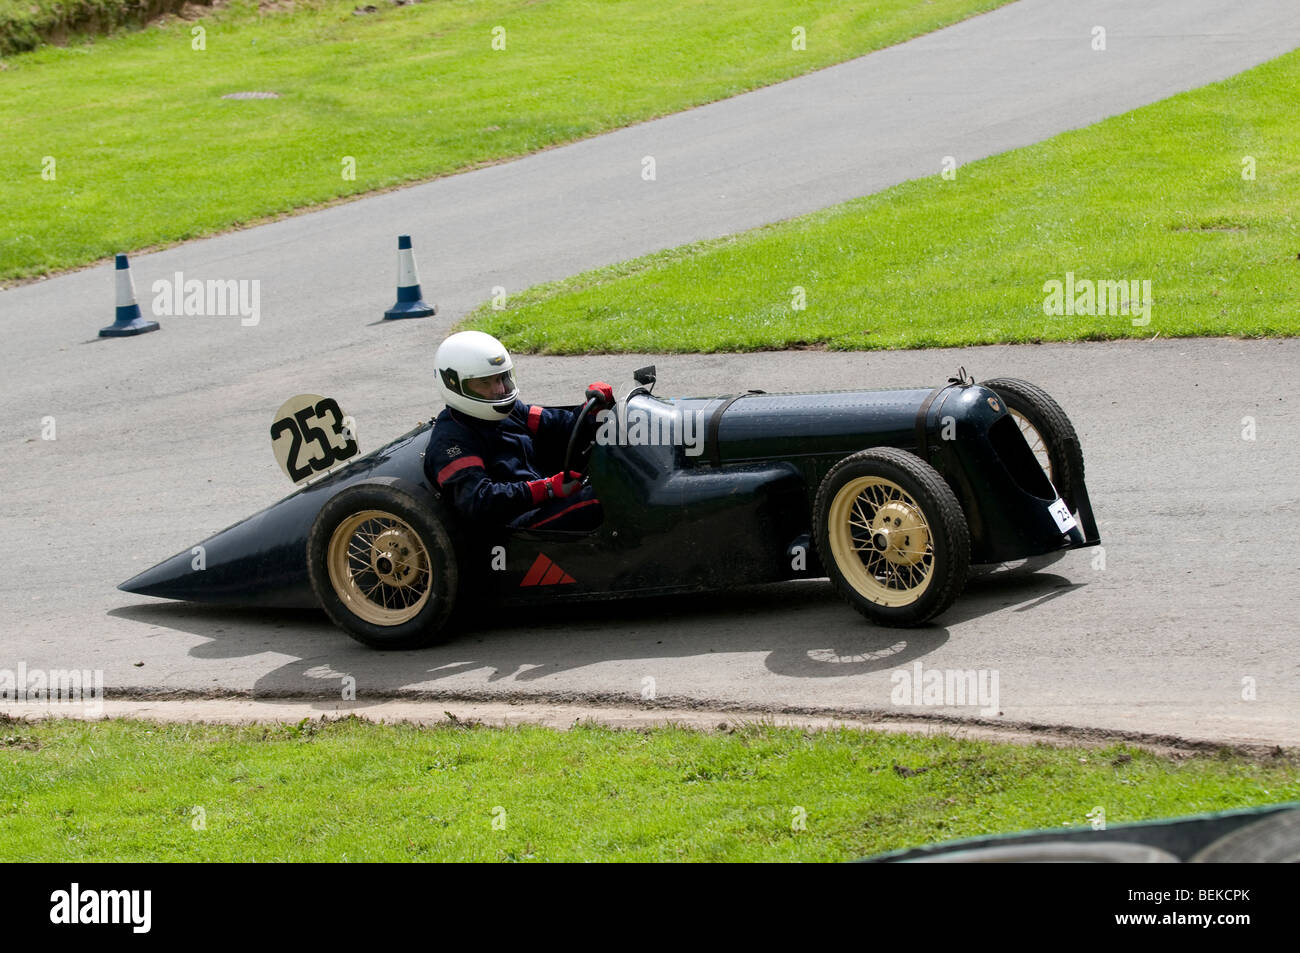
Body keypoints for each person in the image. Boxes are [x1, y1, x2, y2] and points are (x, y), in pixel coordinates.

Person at [425, 330, 612, 531]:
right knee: (610, 499)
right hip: (513, 526)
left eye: (499, 379)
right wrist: (547, 488)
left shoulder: (512, 411)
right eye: (484, 383)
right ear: (453, 385)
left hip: (543, 502)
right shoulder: (451, 441)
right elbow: (479, 500)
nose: (499, 390)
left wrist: (594, 410)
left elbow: (564, 426)